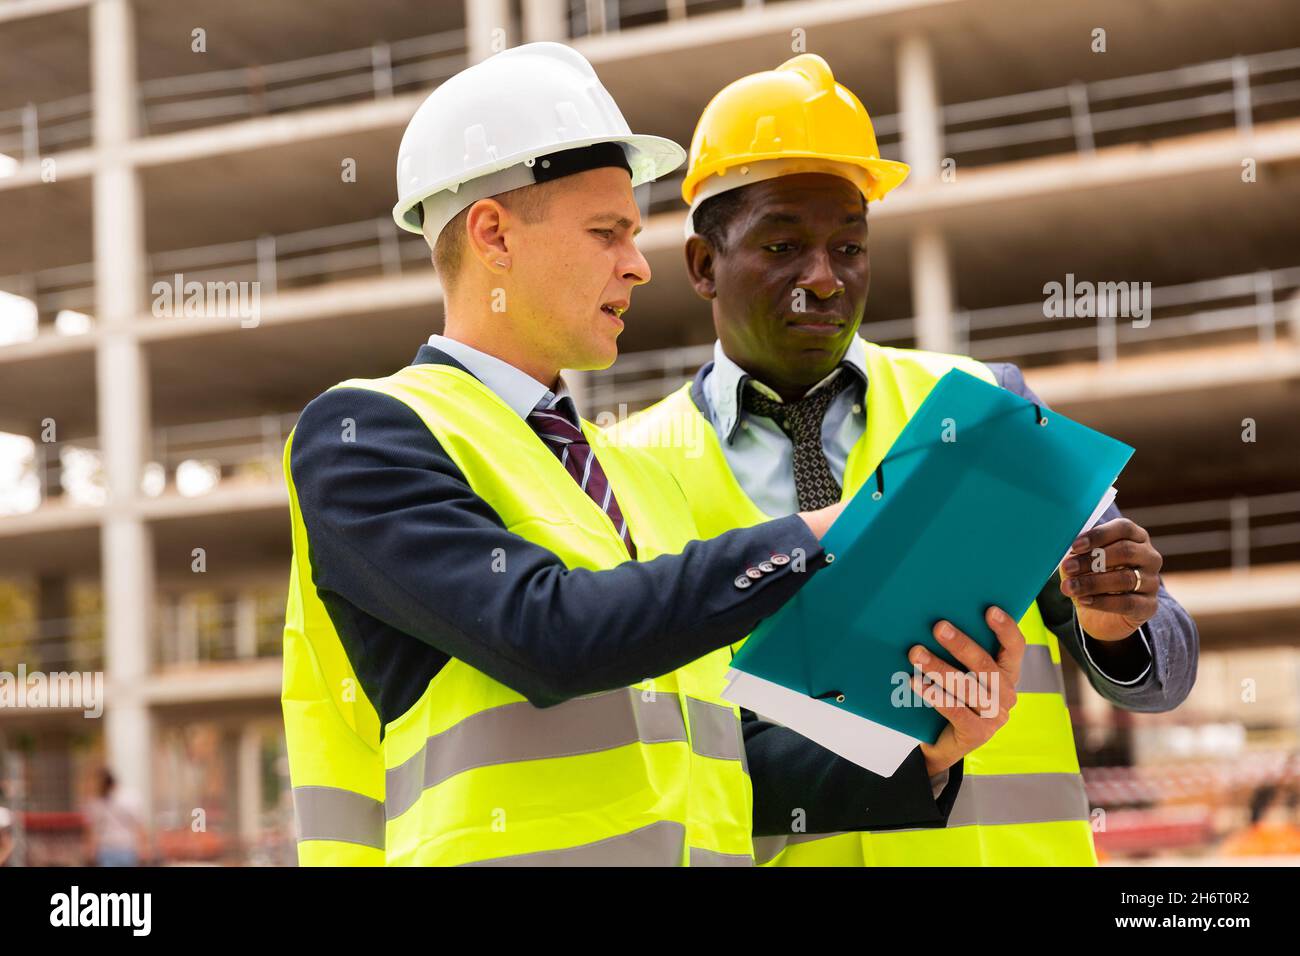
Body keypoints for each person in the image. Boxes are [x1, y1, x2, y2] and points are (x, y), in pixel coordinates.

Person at [281, 42, 1024, 867]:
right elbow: (546, 634)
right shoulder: (368, 435)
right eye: (607, 233)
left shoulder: (636, 479)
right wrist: (821, 536)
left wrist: (930, 747)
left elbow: (725, 766)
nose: (637, 266)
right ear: (494, 236)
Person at [611, 53, 1200, 866]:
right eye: (783, 245)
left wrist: (1113, 624)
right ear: (703, 265)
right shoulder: (628, 469)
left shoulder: (981, 405)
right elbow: (655, 765)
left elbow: (1162, 671)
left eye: (849, 247)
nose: (823, 279)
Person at [84, 768, 145, 867]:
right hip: (123, 847)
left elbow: (92, 830)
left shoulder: (96, 803)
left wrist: (90, 852)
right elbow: (139, 825)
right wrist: (143, 848)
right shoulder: (130, 798)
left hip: (112, 848)